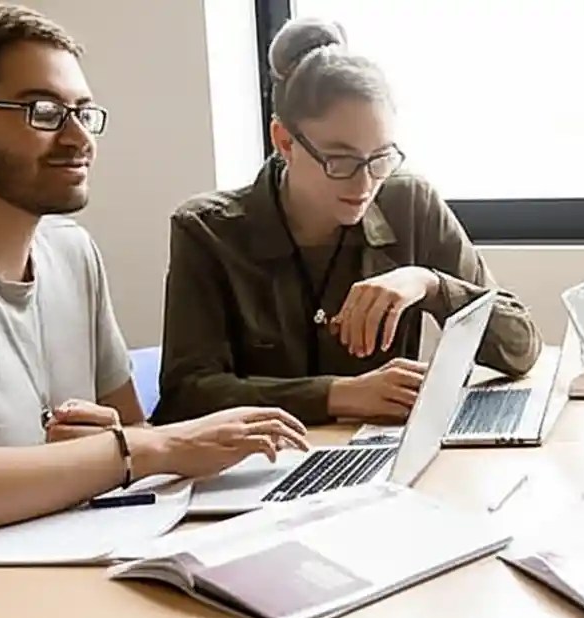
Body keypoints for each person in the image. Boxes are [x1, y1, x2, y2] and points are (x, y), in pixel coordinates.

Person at [0, 4, 308, 545]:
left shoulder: (73, 254)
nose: (79, 138)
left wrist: (105, 452)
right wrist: (129, 451)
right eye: (44, 112)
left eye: (84, 111)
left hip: (80, 562)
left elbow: (131, 432)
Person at [151, 18, 542, 427]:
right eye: (340, 160)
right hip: (253, 469)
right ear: (284, 141)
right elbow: (186, 394)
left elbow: (521, 347)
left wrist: (429, 284)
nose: (364, 182)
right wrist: (339, 395)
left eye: (381, 157)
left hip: (382, 465)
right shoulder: (206, 230)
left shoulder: (409, 202)